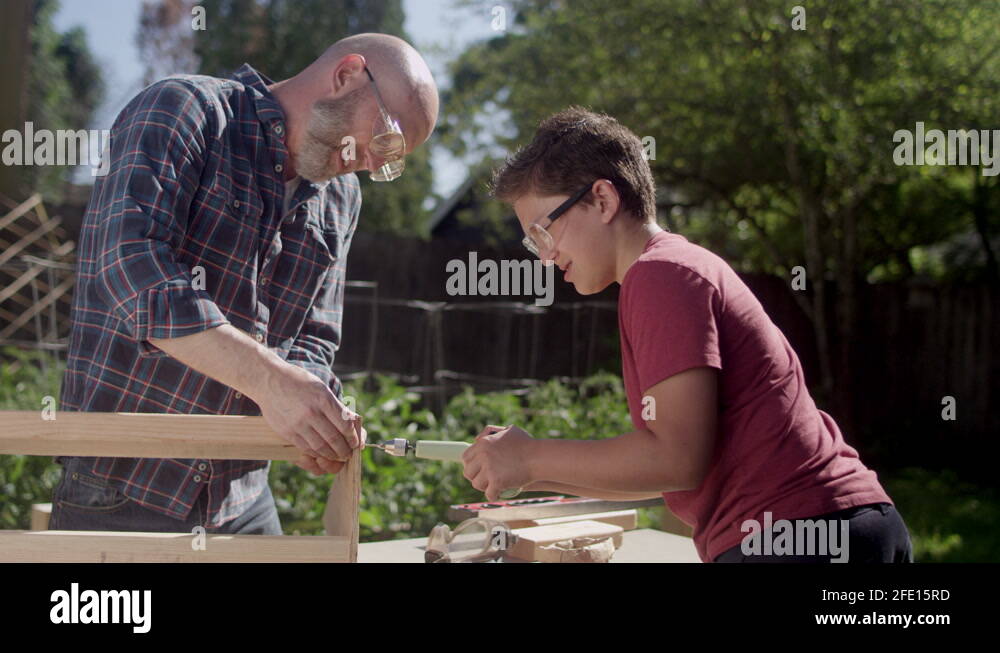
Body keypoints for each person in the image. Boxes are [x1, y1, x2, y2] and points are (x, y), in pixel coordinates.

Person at [462, 107, 912, 563]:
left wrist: (532, 458)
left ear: (602, 200)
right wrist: (525, 470)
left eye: (544, 231)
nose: (545, 255)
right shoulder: (669, 270)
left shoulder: (661, 275)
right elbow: (671, 472)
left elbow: (676, 457)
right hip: (825, 530)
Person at [51, 33, 439, 535]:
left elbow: (315, 336)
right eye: (384, 137)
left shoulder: (341, 198)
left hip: (244, 496)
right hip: (122, 487)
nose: (373, 162)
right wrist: (269, 382)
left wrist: (312, 411)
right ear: (347, 75)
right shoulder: (186, 109)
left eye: (391, 160)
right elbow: (130, 267)